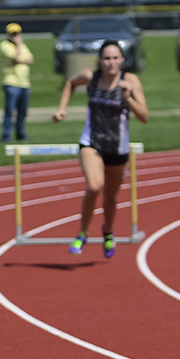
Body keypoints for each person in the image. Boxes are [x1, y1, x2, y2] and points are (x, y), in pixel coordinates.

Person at [53, 40, 148, 258]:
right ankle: (82, 233)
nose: (111, 63)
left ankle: (107, 232)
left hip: (117, 147)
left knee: (110, 198)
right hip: (91, 142)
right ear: (100, 60)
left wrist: (129, 98)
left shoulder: (130, 81)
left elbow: (144, 116)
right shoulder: (91, 77)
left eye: (115, 58)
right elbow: (70, 83)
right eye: (107, 58)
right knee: (95, 186)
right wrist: (61, 109)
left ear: (122, 60)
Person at [0, 22, 34, 142]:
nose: (15, 36)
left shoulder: (23, 46)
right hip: (11, 82)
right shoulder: (4, 45)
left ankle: (21, 133)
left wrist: (20, 58)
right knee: (10, 110)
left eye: (17, 33)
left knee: (23, 111)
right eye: (12, 34)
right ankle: (6, 134)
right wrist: (18, 46)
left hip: (25, 83)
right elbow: (16, 57)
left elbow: (30, 60)